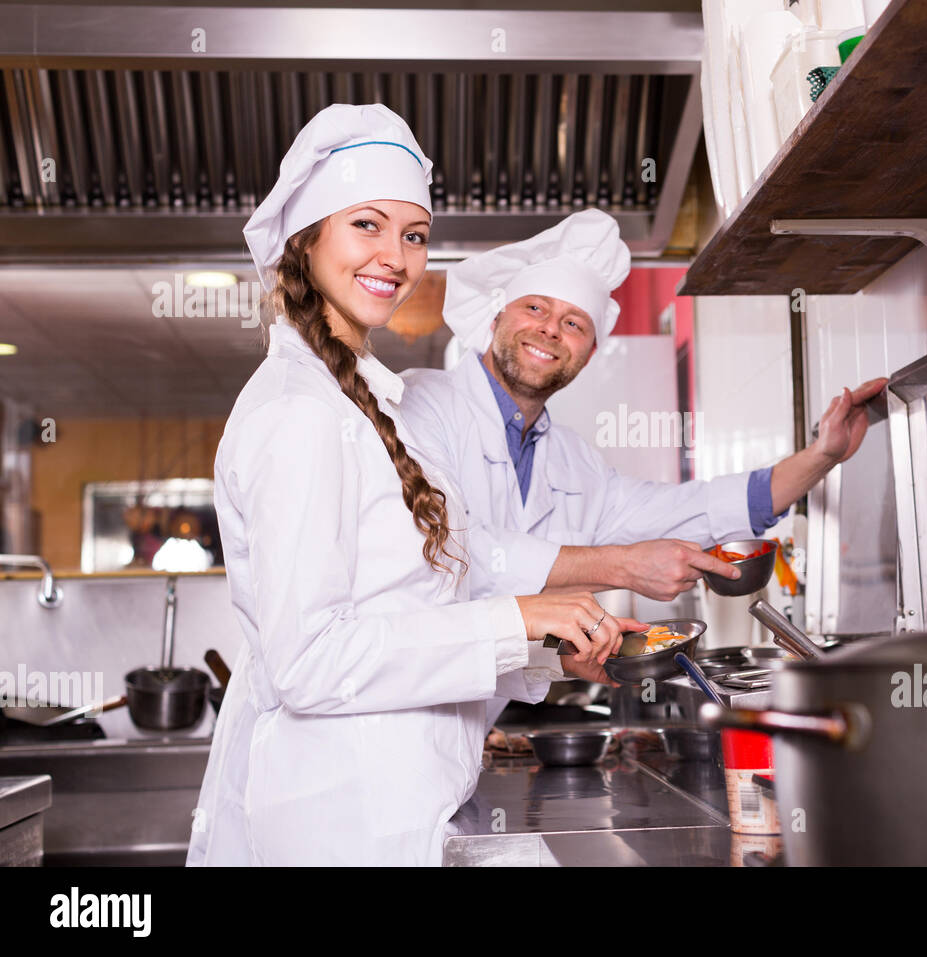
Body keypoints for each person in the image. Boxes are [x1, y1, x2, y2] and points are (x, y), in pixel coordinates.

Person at [187, 105, 632, 867]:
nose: (395, 255)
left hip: (401, 812)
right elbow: (309, 661)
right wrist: (514, 616)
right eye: (367, 224)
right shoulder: (299, 411)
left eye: (415, 234)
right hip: (339, 824)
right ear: (309, 237)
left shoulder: (366, 397)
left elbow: (403, 615)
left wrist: (545, 654)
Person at [399, 209, 886, 643]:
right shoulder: (421, 405)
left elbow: (685, 510)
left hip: (468, 723)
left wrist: (822, 454)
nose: (550, 328)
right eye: (535, 307)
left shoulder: (573, 461)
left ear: (587, 356)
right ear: (496, 316)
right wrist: (624, 566)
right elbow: (451, 550)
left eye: (574, 323)